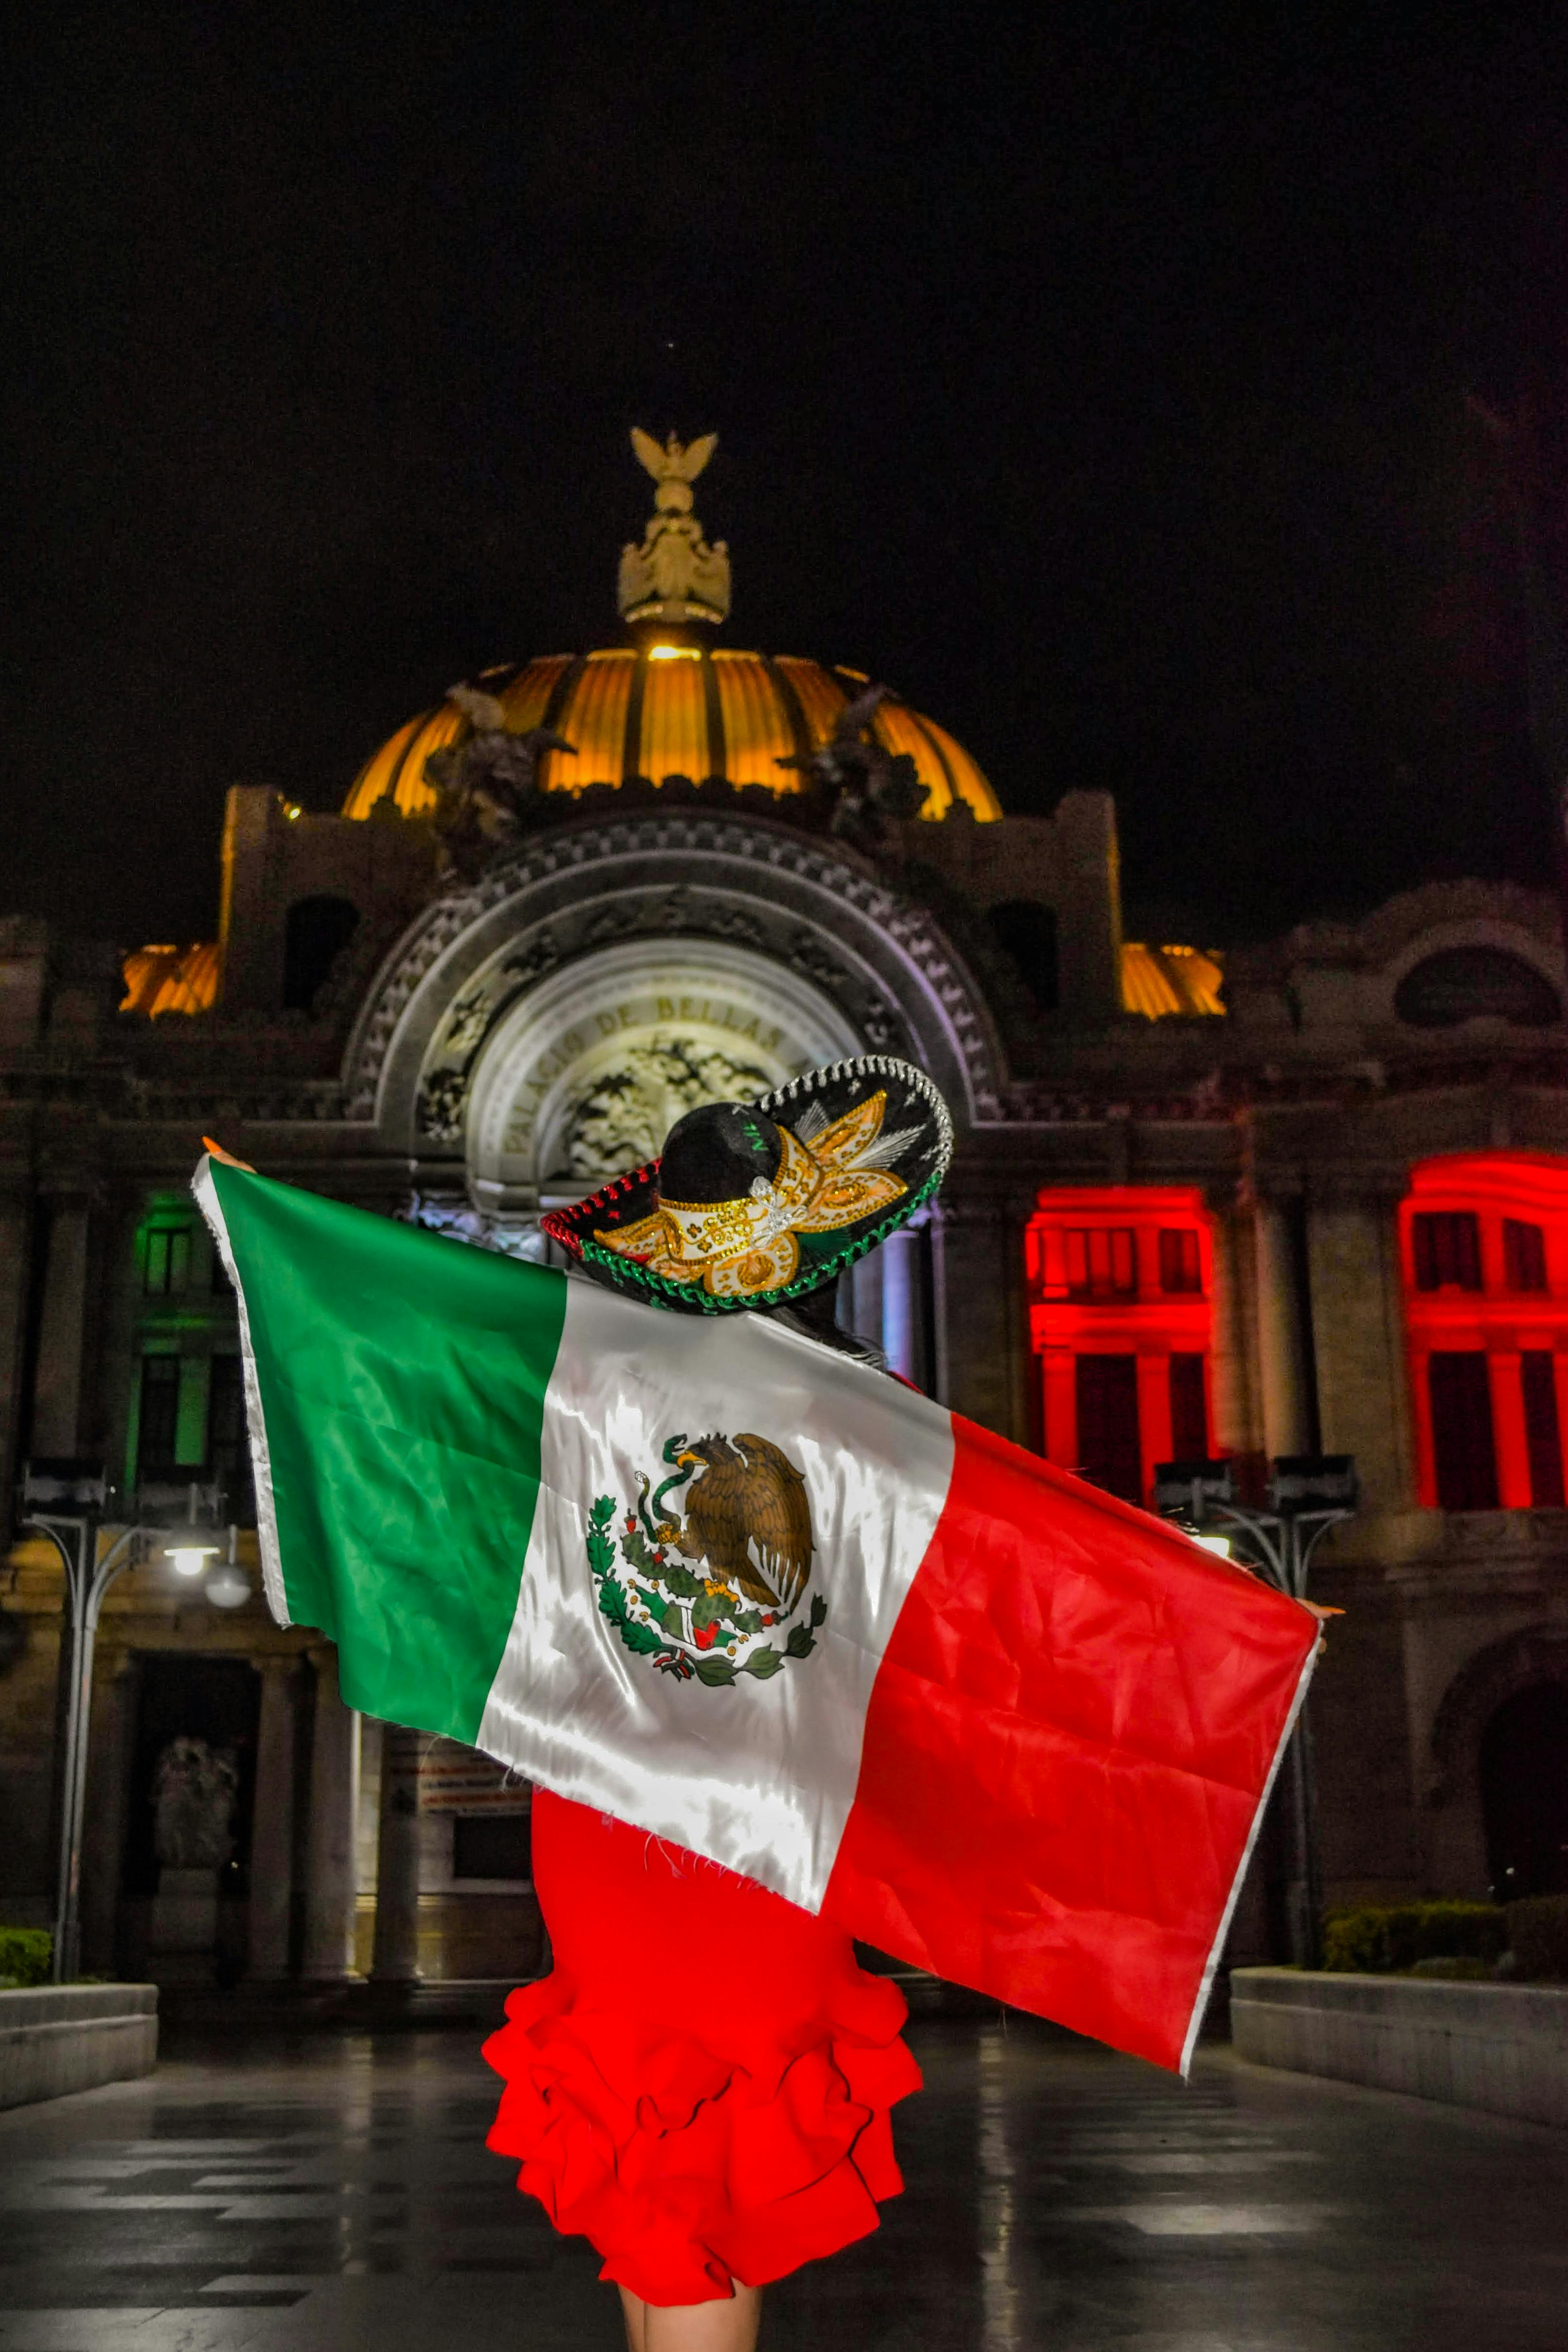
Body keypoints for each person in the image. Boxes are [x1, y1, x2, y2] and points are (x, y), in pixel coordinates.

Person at [482, 1055, 953, 2352]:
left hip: (610, 1818)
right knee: (702, 2171)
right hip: (752, 1823)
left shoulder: (587, 1410)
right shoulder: (870, 1424)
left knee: (656, 2171)